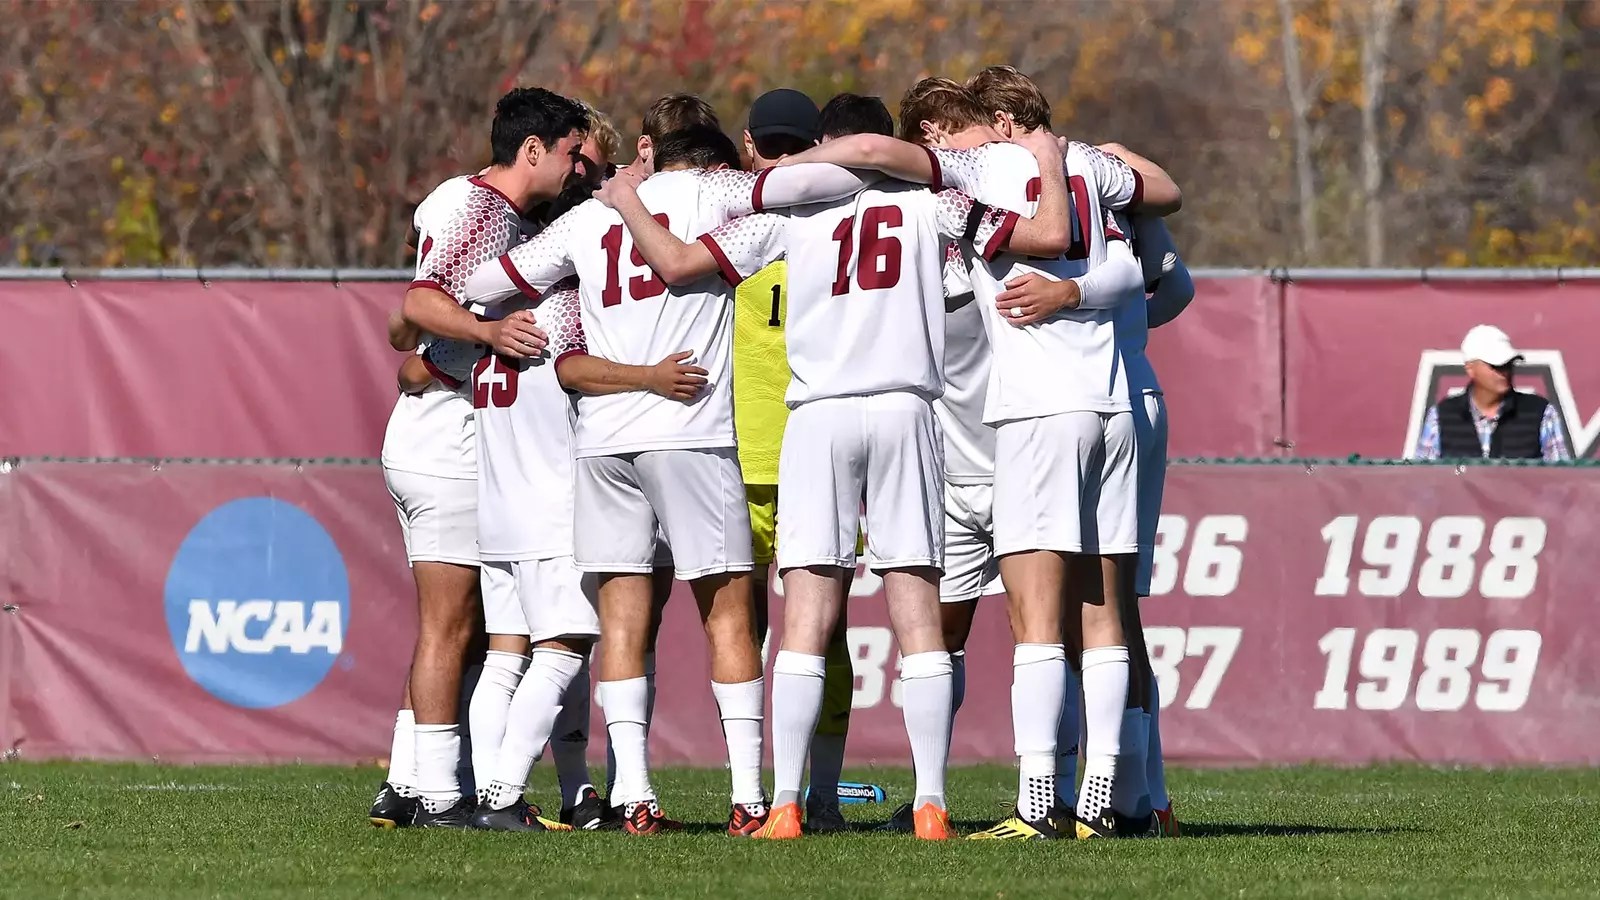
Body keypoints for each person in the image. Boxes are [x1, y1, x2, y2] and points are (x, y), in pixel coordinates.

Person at [597, 93, 1073, 841]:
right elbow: (1045, 237)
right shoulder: (932, 204)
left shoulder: (794, 213)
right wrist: (1047, 159)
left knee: (806, 618)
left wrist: (626, 198)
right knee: (917, 615)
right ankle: (930, 804)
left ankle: (784, 803)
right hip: (904, 410)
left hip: (816, 417)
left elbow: (680, 264)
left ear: (825, 143)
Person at [783, 74, 1176, 840]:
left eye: (940, 133)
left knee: (1038, 622)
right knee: (1103, 613)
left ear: (985, 124)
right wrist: (1078, 280)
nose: (935, 148)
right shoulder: (1089, 164)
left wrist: (763, 181)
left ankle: (1041, 803)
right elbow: (1153, 252)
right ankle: (1112, 799)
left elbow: (875, 156)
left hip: (1030, 419)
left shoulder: (969, 182)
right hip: (1112, 405)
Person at [459, 122, 867, 835]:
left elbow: (485, 281)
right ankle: (747, 799)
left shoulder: (593, 214)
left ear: (653, 150)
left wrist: (550, 291)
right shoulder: (718, 192)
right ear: (715, 158)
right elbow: (814, 189)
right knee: (729, 613)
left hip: (605, 442)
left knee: (620, 621)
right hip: (691, 429)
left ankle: (635, 799)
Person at [373, 87, 588, 828]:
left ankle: (407, 784)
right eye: (570, 152)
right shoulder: (471, 203)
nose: (575, 167)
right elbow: (422, 297)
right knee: (450, 625)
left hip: (449, 426)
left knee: (457, 625)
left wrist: (427, 347)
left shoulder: (498, 215)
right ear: (534, 149)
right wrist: (480, 336)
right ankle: (438, 796)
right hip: (444, 437)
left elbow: (410, 312)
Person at [730, 88, 863, 833]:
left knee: (740, 630)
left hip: (743, 447)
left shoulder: (734, 217)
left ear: (750, 145)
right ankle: (820, 796)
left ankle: (751, 794)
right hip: (819, 447)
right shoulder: (840, 218)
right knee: (824, 632)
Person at [1413, 325, 1570, 461]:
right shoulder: (1440, 416)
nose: (1504, 372)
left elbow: (1560, 482)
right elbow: (1423, 484)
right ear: (1470, 369)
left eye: (1508, 364)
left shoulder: (1542, 413)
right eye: (1496, 366)